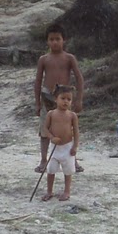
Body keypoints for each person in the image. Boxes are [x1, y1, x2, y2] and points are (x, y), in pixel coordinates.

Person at [34, 25, 85, 173]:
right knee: (45, 129)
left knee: (67, 129)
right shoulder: (44, 59)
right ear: (47, 41)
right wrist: (37, 103)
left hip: (64, 97)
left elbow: (79, 78)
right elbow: (38, 81)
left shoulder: (69, 58)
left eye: (58, 39)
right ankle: (44, 160)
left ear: (64, 40)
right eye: (51, 39)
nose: (55, 42)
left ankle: (73, 160)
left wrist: (79, 99)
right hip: (47, 96)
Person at [39, 86, 79, 202]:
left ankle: (67, 191)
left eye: (69, 99)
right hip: (55, 148)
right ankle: (49, 191)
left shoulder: (72, 115)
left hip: (67, 147)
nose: (66, 101)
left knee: (68, 171)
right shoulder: (51, 114)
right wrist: (52, 138)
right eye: (63, 98)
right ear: (56, 99)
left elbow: (76, 132)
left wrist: (75, 146)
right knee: (51, 169)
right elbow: (45, 128)